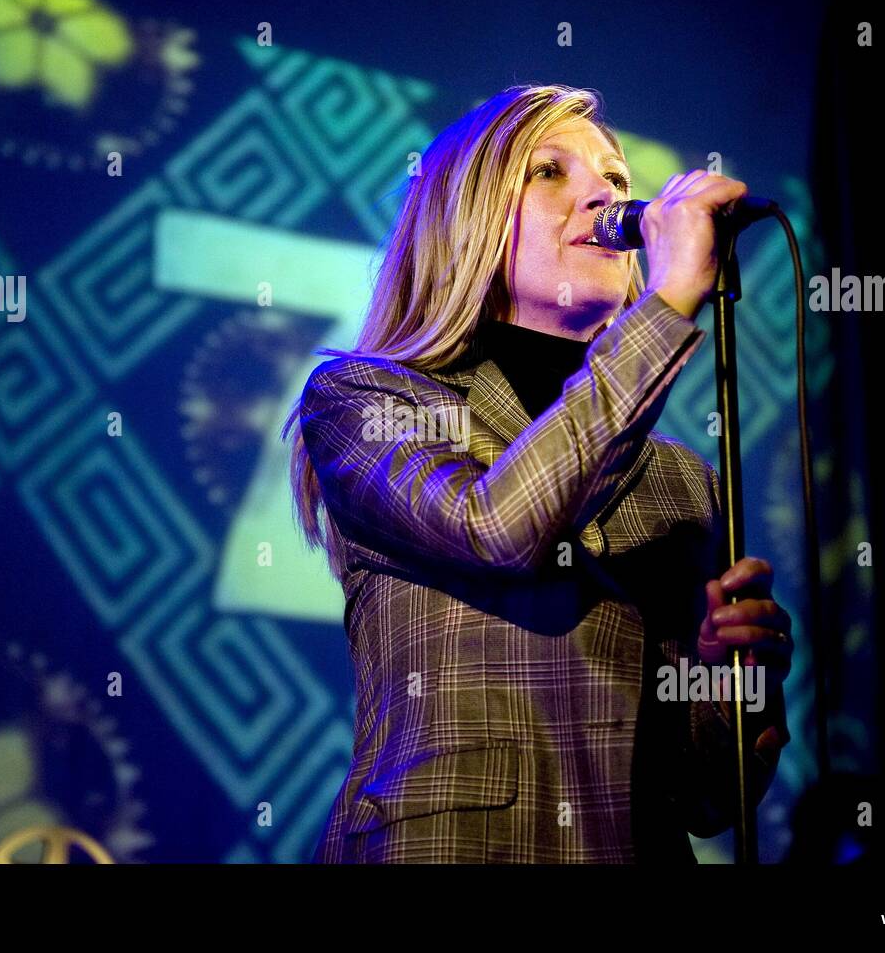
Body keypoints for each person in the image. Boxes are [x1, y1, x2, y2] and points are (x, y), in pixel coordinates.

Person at [282, 83, 793, 863]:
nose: (603, 195)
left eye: (617, 180)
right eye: (549, 172)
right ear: (464, 220)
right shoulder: (365, 397)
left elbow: (703, 795)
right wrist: (669, 303)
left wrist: (734, 678)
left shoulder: (682, 482)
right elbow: (496, 525)